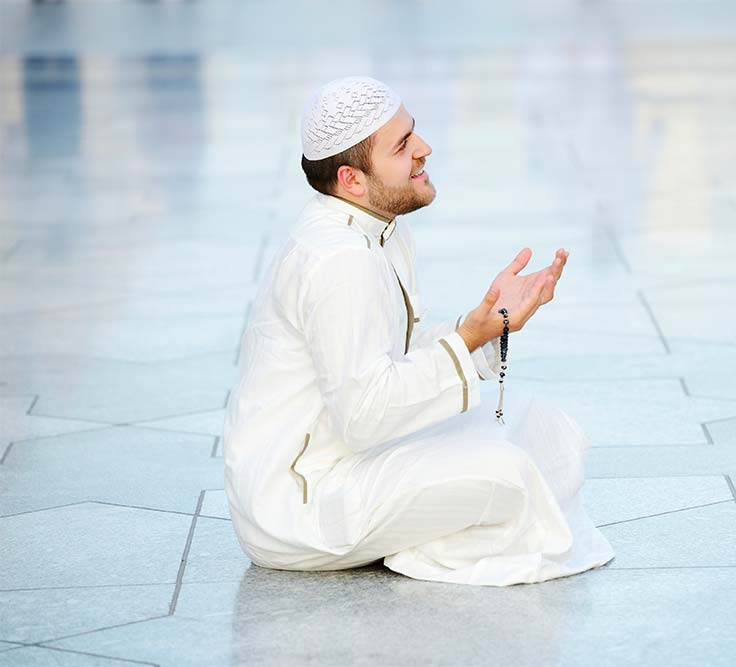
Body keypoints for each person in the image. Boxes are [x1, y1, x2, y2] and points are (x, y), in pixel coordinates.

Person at [222, 76, 615, 586]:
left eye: (414, 132)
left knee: (538, 422)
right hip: (301, 504)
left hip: (348, 455)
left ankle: (427, 527)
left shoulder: (380, 228)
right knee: (508, 475)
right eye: (402, 145)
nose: (424, 149)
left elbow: (393, 357)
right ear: (352, 179)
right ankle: (420, 540)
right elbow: (364, 416)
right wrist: (468, 339)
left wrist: (483, 325)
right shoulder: (338, 260)